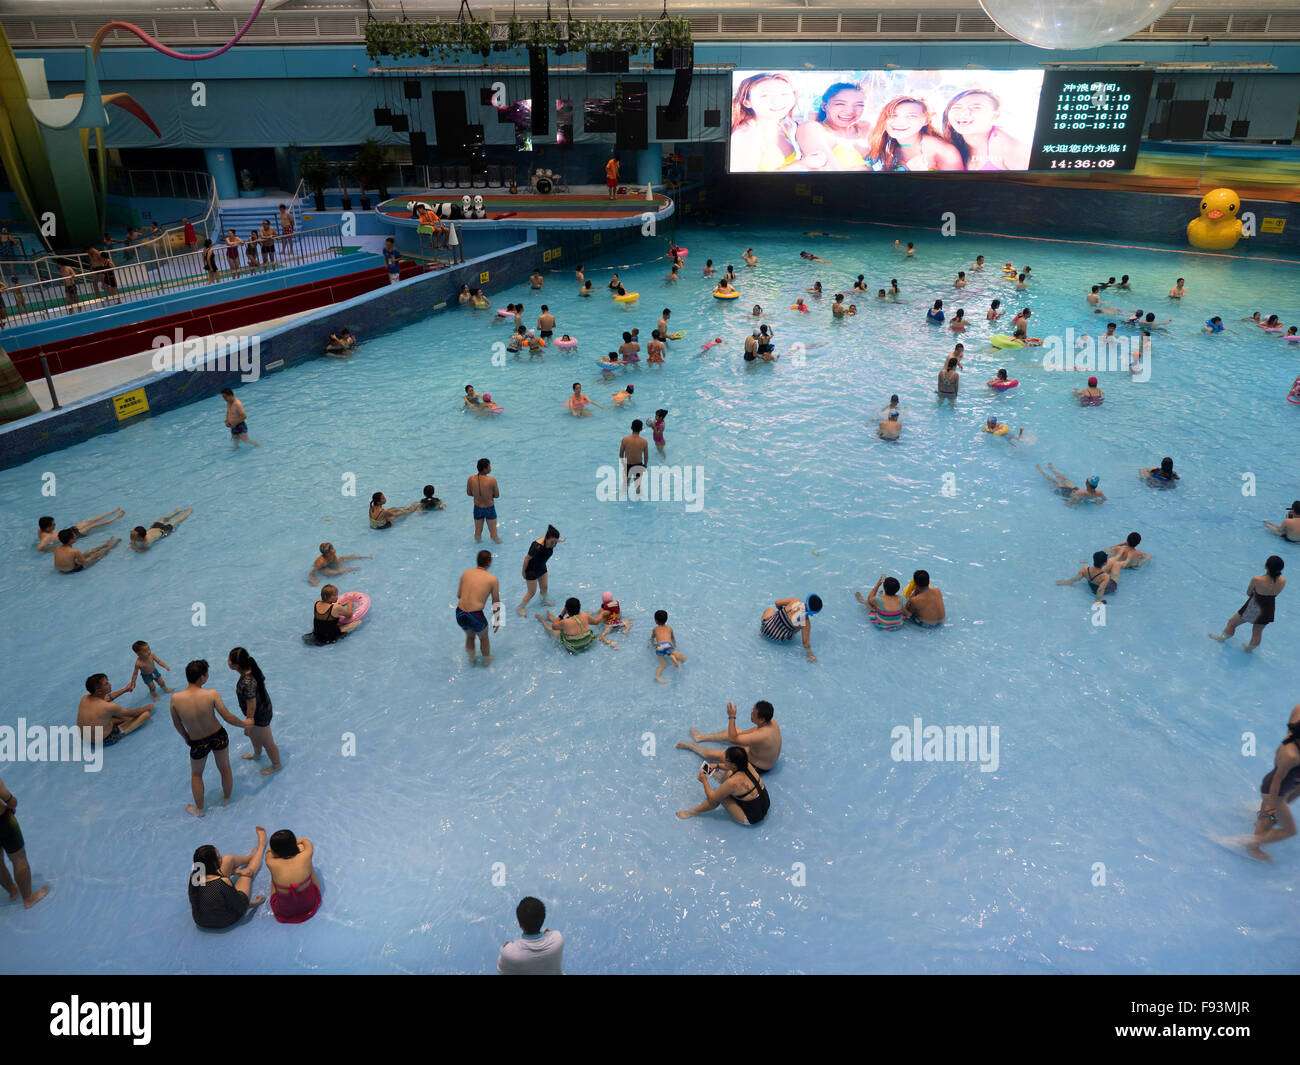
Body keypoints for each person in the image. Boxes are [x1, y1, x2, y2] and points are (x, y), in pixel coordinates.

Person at [170, 659, 253, 817]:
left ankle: (200, 809)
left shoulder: (175, 699)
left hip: (197, 741)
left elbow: (177, 724)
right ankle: (227, 799)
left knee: (196, 775)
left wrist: (187, 738)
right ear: (202, 677)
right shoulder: (211, 694)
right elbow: (227, 717)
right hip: (218, 736)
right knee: (225, 768)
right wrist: (244, 724)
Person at [1247, 705, 1300, 860]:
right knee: (1274, 812)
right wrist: (1272, 804)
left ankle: (1266, 818)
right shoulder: (1292, 755)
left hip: (1286, 772)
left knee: (1276, 807)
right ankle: (1253, 843)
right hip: (1284, 774)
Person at [188, 829, 267, 929]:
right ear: (213, 863)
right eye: (218, 856)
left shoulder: (195, 875)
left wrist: (237, 871)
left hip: (200, 920)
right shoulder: (222, 882)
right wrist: (257, 902)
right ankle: (261, 846)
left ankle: (250, 857)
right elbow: (241, 906)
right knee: (248, 874)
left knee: (228, 859)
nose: (221, 856)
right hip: (225, 920)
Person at [865, 95, 963, 171]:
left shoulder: (943, 150)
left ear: (926, 120)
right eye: (893, 115)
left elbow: (959, 188)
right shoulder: (884, 144)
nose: (900, 122)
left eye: (911, 116)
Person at [676, 700, 782, 771]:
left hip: (757, 766)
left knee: (724, 755)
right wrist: (739, 734)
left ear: (762, 719)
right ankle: (701, 737)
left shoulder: (762, 735)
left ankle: (691, 746)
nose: (751, 714)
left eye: (753, 714)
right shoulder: (772, 721)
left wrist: (732, 717)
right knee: (737, 731)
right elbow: (753, 730)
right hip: (760, 755)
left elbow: (733, 739)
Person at [677, 746, 770, 825]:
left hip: (752, 817)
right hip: (765, 802)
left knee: (720, 797)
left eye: (726, 760)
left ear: (733, 765)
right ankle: (716, 775)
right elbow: (730, 768)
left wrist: (704, 780)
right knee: (729, 774)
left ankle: (693, 812)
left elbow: (712, 798)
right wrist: (717, 766)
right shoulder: (747, 765)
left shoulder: (732, 783)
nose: (724, 760)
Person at [1210, 556, 1286, 652]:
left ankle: (1222, 638)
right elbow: (1277, 593)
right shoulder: (1283, 580)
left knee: (1232, 623)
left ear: (1266, 566)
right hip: (1269, 607)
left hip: (1255, 606)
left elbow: (1248, 593)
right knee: (1257, 633)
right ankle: (1249, 649)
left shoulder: (1257, 579)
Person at [729, 73, 799, 172]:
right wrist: (801, 165)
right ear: (747, 102)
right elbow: (741, 182)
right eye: (764, 96)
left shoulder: (786, 125)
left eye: (784, 94)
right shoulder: (745, 136)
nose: (777, 102)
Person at [943, 89, 1029, 170]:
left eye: (976, 107)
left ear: (995, 116)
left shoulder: (1011, 148)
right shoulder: (950, 143)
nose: (963, 113)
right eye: (956, 107)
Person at [229, 647, 280, 775]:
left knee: (268, 743)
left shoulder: (247, 681)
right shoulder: (252, 670)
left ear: (235, 666)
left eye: (229, 660)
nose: (227, 661)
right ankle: (257, 754)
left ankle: (276, 765)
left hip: (259, 715)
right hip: (261, 709)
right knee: (253, 735)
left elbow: (251, 704)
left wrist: (249, 722)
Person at [0, 776, 48, 909]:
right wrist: (10, 807)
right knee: (19, 858)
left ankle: (12, 890)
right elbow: (12, 802)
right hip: (3, 821)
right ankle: (28, 898)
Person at [77, 673, 152, 747]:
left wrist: (125, 689)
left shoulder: (85, 698)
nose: (109, 684)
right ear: (99, 691)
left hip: (86, 738)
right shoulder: (108, 707)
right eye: (106, 684)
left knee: (109, 715)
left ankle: (122, 721)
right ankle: (122, 732)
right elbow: (132, 713)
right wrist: (146, 708)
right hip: (104, 740)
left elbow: (107, 698)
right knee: (146, 714)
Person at [457, 550, 502, 665]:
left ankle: (471, 660)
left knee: (470, 636)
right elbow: (495, 602)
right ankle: (486, 661)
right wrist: (497, 619)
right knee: (484, 638)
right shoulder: (492, 579)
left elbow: (459, 595)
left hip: (460, 613)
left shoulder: (466, 573)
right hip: (475, 615)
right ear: (489, 562)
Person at [266, 830, 321, 923]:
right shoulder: (306, 855)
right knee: (307, 862)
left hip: (284, 911)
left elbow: (268, 852)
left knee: (274, 874)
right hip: (309, 905)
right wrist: (292, 842)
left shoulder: (270, 862)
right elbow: (306, 841)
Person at [498, 897, 564, 974]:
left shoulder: (510, 953)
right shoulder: (558, 939)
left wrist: (506, 947)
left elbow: (501, 971)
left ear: (520, 924)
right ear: (543, 919)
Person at [760, 596, 821, 662]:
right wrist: (810, 655)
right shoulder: (805, 622)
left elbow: (777, 602)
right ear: (814, 612)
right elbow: (806, 643)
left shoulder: (795, 601)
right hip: (777, 638)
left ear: (807, 601)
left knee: (770, 609)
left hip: (765, 628)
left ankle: (760, 633)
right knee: (797, 627)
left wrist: (781, 613)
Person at [518, 525, 560, 615]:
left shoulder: (552, 540)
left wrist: (558, 540)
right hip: (531, 570)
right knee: (531, 592)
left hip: (542, 567)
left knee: (544, 587)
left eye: (556, 542)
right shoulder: (536, 546)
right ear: (546, 538)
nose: (554, 544)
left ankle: (543, 601)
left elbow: (555, 540)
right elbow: (526, 559)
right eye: (552, 542)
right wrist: (523, 572)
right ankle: (520, 607)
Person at [36, 508, 124, 550]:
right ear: (47, 528)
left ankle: (111, 512)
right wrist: (56, 548)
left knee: (90, 521)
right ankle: (116, 517)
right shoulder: (46, 538)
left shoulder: (41, 529)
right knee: (93, 525)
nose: (55, 524)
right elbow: (39, 548)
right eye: (53, 524)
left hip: (70, 530)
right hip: (74, 535)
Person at [1058, 550, 1123, 604]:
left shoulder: (1084, 569)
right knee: (1116, 567)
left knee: (1105, 569)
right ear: (1105, 563)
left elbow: (1077, 579)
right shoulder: (1106, 576)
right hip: (1103, 589)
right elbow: (1100, 590)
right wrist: (1097, 601)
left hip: (1093, 585)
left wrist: (1067, 582)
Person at [53, 527, 120, 573]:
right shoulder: (74, 551)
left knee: (85, 553)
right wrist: (94, 556)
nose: (76, 536)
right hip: (71, 570)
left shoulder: (57, 548)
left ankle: (104, 545)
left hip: (60, 570)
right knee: (97, 555)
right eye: (74, 535)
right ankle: (112, 545)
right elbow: (85, 562)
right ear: (71, 539)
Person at [468, 458, 502, 544]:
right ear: (485, 468)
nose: (491, 468)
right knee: (494, 534)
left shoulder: (471, 479)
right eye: (489, 466)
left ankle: (478, 544)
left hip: (477, 508)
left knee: (478, 533)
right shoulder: (492, 480)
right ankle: (498, 545)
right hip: (489, 508)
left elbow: (469, 493)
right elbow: (497, 495)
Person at [1036, 463, 1105, 506]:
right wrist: (1096, 502)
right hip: (1075, 490)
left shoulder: (1079, 494)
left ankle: (1044, 470)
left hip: (1067, 493)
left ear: (1087, 484)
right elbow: (1104, 499)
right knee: (1063, 480)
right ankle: (1050, 469)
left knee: (1056, 481)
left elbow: (1071, 504)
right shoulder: (1099, 493)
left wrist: (1067, 504)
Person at [128, 507, 193, 550]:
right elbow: (133, 538)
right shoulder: (139, 536)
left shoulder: (148, 541)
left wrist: (135, 548)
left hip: (163, 531)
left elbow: (143, 550)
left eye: (134, 536)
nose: (132, 535)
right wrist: (133, 541)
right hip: (154, 528)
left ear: (140, 537)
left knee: (176, 521)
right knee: (162, 518)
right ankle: (175, 512)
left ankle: (188, 511)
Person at [650, 609, 687, 683]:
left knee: (663, 664)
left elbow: (652, 638)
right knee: (683, 658)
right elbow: (673, 638)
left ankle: (657, 677)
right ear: (666, 619)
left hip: (659, 646)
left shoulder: (655, 629)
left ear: (655, 620)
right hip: (667, 644)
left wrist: (653, 645)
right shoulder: (669, 628)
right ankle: (674, 658)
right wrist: (675, 645)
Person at [620, 419, 649, 493]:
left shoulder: (625, 439)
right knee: (638, 487)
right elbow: (646, 457)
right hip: (638, 465)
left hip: (628, 465)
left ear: (631, 428)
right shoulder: (644, 441)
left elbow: (621, 454)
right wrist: (645, 465)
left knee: (625, 484)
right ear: (641, 429)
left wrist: (624, 465)